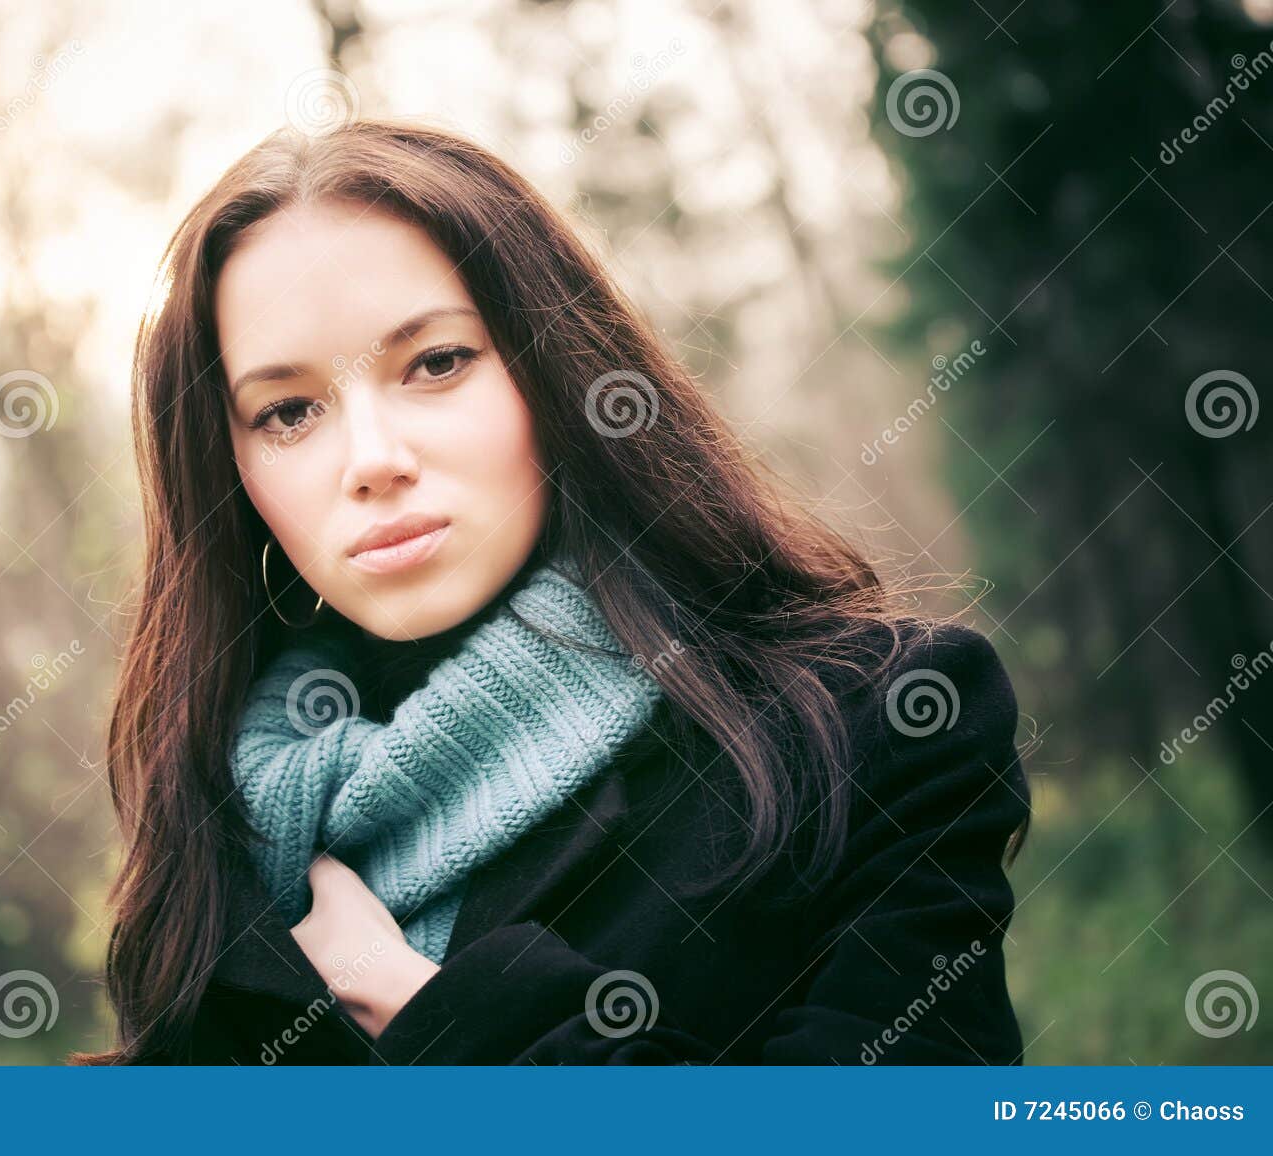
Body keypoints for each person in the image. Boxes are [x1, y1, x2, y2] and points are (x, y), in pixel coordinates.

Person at [70, 118, 1032, 1065]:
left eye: (436, 362)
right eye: (287, 412)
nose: (371, 459)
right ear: (230, 471)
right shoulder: (218, 834)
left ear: (555, 369)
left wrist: (442, 1018)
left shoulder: (878, 724)